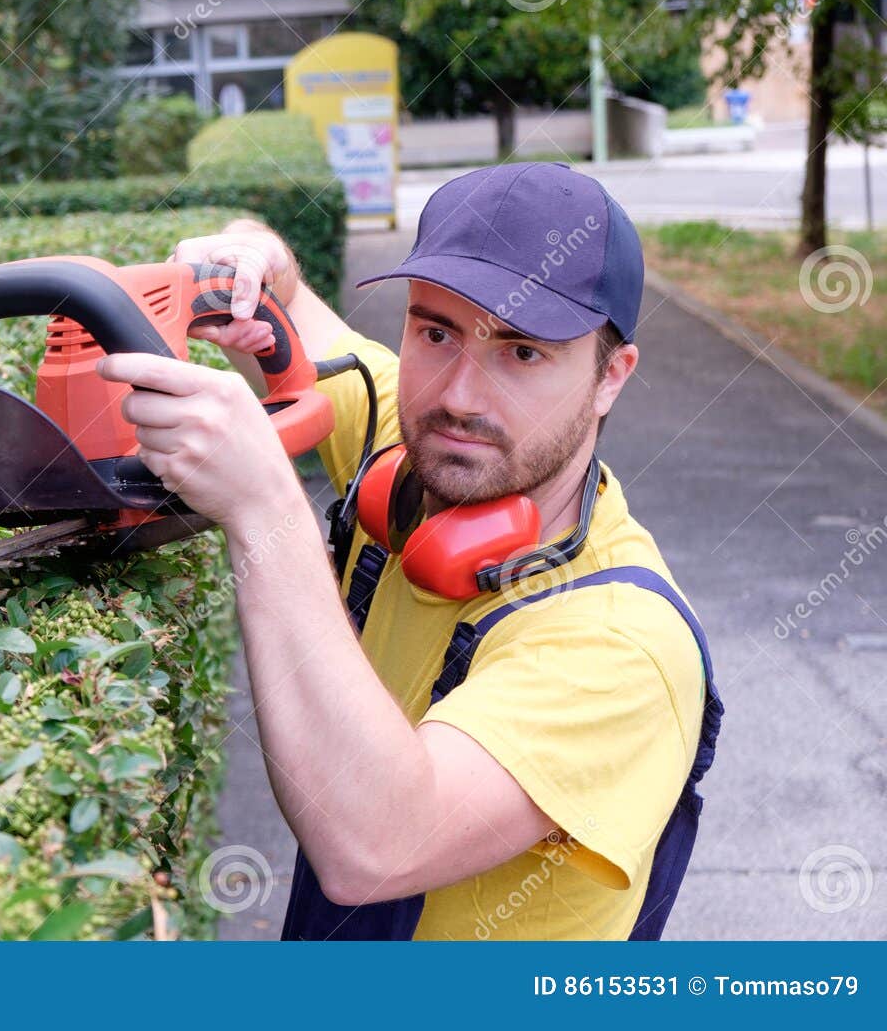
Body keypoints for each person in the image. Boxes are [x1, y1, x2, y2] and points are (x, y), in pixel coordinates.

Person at [97, 162, 721, 940]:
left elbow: (377, 846)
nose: (460, 394)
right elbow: (289, 301)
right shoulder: (418, 445)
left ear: (608, 377)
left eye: (522, 352)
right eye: (436, 331)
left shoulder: (624, 644)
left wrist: (264, 506)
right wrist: (253, 256)